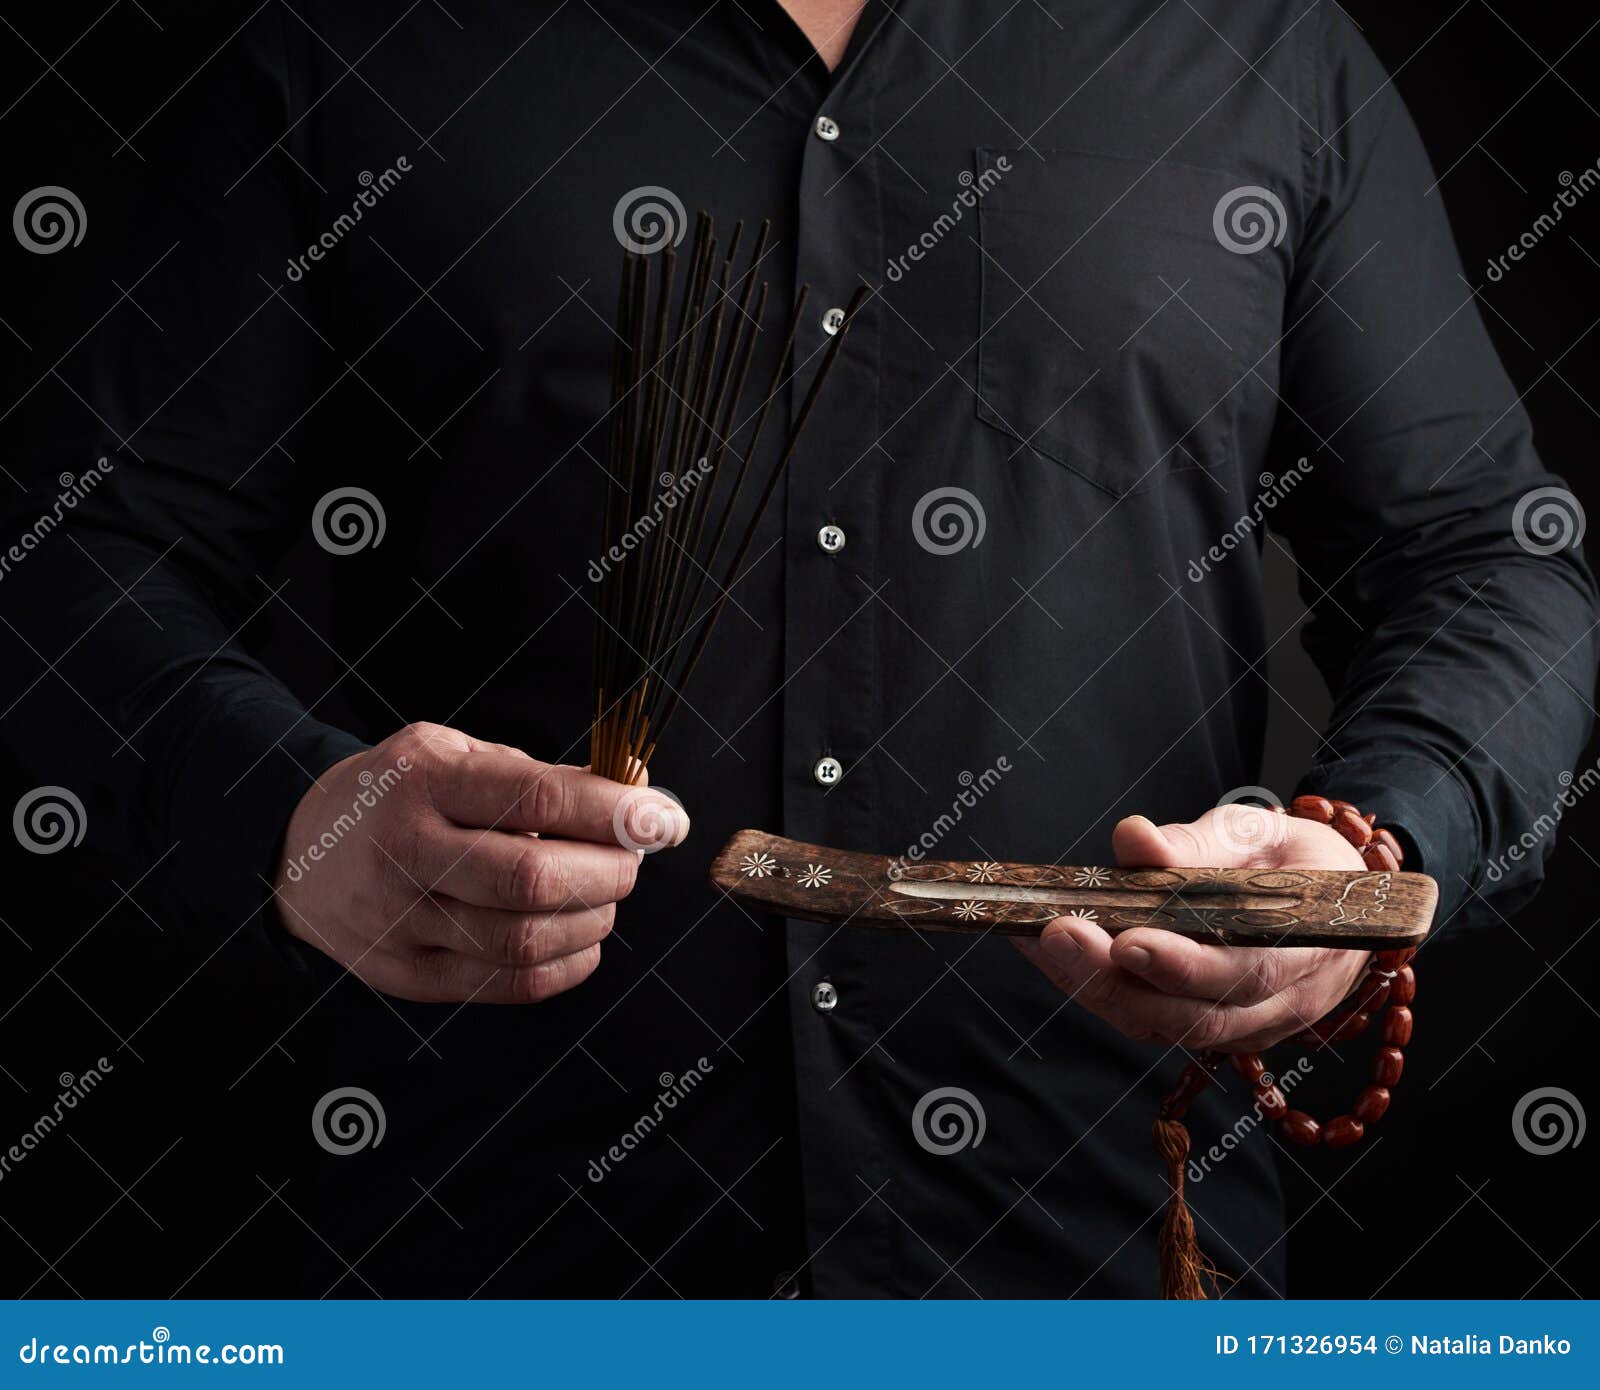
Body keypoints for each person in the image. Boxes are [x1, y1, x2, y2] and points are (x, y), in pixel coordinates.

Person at [3, 0, 1594, 1297]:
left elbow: (1486, 561)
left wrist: (1358, 857)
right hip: (499, 1269)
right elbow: (71, 567)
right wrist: (294, 818)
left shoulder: (1256, 47)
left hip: (1108, 1260)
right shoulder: (349, 41)